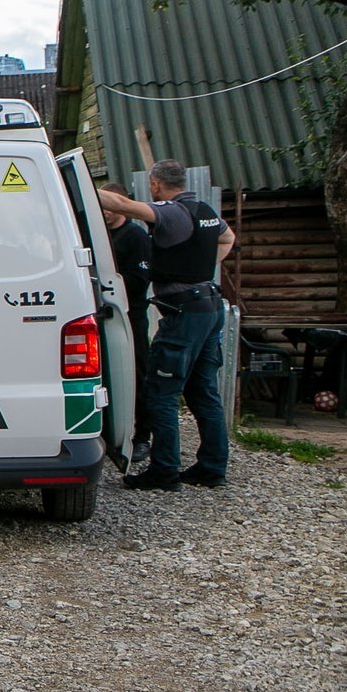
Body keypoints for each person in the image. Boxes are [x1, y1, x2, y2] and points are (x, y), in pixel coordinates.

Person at [98, 160, 236, 490]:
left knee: (161, 393)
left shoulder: (172, 212)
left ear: (156, 185)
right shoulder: (204, 210)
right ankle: (213, 467)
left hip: (184, 314)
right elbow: (228, 237)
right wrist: (201, 270)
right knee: (204, 392)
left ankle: (164, 471)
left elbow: (120, 204)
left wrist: (70, 181)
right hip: (208, 306)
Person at [101, 182, 154, 468]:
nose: (106, 213)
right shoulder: (100, 235)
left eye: (110, 208)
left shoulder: (134, 236)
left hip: (131, 315)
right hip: (106, 314)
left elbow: (140, 280)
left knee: (138, 373)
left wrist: (110, 287)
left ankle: (142, 435)